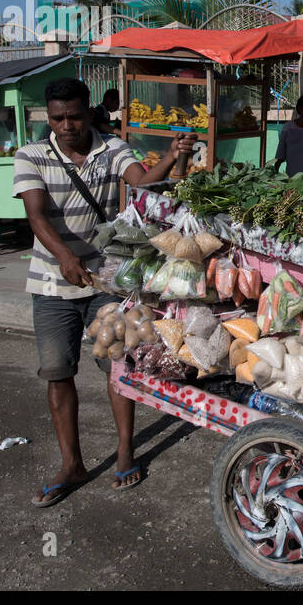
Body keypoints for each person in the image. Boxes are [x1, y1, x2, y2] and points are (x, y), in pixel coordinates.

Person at [14, 78, 194, 508]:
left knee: (119, 366)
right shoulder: (31, 154)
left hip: (104, 280)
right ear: (48, 117)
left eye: (74, 116)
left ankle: (125, 450)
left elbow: (142, 183)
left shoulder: (112, 147)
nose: (66, 125)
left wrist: (171, 157)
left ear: (88, 111)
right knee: (58, 373)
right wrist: (63, 256)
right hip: (51, 282)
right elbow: (36, 216)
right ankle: (71, 464)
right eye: (57, 118)